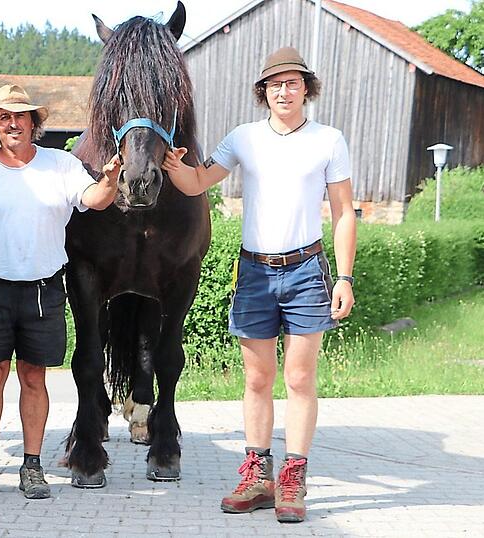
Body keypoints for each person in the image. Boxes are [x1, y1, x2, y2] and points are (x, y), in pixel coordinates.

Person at [163, 47, 357, 523]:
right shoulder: (243, 138)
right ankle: (257, 477)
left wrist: (345, 277)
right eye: (274, 84)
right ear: (263, 92)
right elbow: (197, 182)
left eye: (292, 83)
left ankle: (293, 478)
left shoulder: (328, 140)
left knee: (299, 378)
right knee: (256, 378)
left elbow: (343, 213)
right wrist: (169, 162)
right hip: (254, 271)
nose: (283, 91)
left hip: (307, 271)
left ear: (306, 89)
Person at [0, 84, 120, 500]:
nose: (13, 123)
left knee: (34, 377)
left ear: (34, 123)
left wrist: (110, 180)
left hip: (44, 289)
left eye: (20, 116)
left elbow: (95, 199)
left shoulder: (61, 165)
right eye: (4, 117)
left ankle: (32, 465)